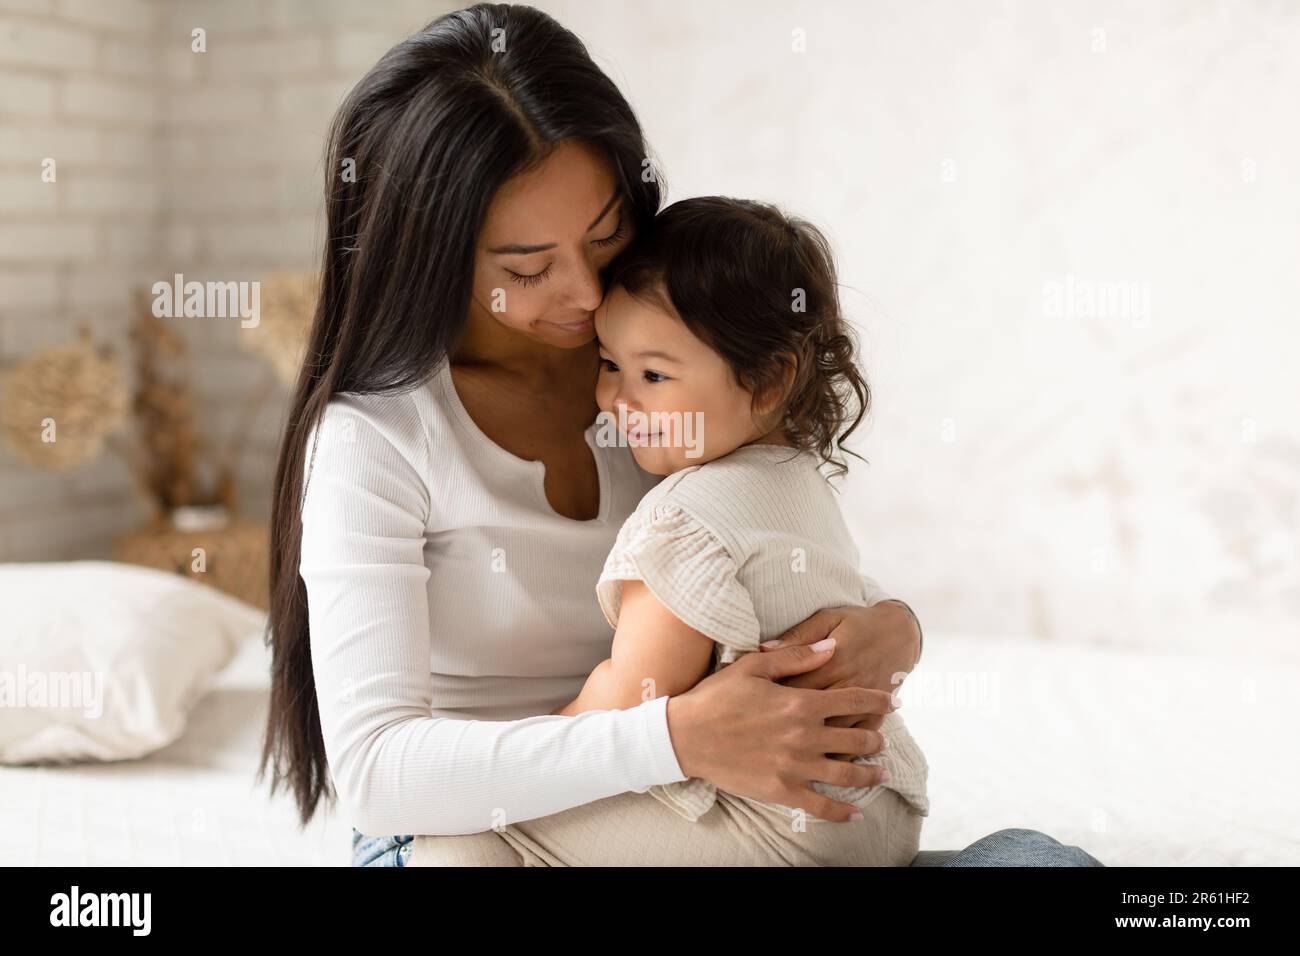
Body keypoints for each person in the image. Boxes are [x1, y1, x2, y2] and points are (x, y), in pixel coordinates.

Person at [255, 2, 1102, 869]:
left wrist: (893, 628)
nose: (586, 293)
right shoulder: (377, 438)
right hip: (472, 823)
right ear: (431, 255)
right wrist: (676, 738)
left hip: (688, 802)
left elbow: (770, 545)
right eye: (527, 268)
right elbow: (377, 775)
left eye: (605, 233)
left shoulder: (655, 358)